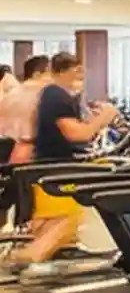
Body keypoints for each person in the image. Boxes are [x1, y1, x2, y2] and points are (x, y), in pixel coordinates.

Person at [8, 52, 117, 278]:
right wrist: (104, 117)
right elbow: (78, 134)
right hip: (55, 169)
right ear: (66, 71)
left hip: (44, 166)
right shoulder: (57, 96)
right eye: (78, 72)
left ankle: (32, 259)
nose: (81, 77)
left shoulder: (51, 94)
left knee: (50, 223)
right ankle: (26, 257)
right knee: (68, 219)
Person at [0, 55, 51, 164]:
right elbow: (26, 138)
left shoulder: (11, 94)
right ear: (37, 75)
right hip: (24, 159)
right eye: (52, 75)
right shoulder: (36, 96)